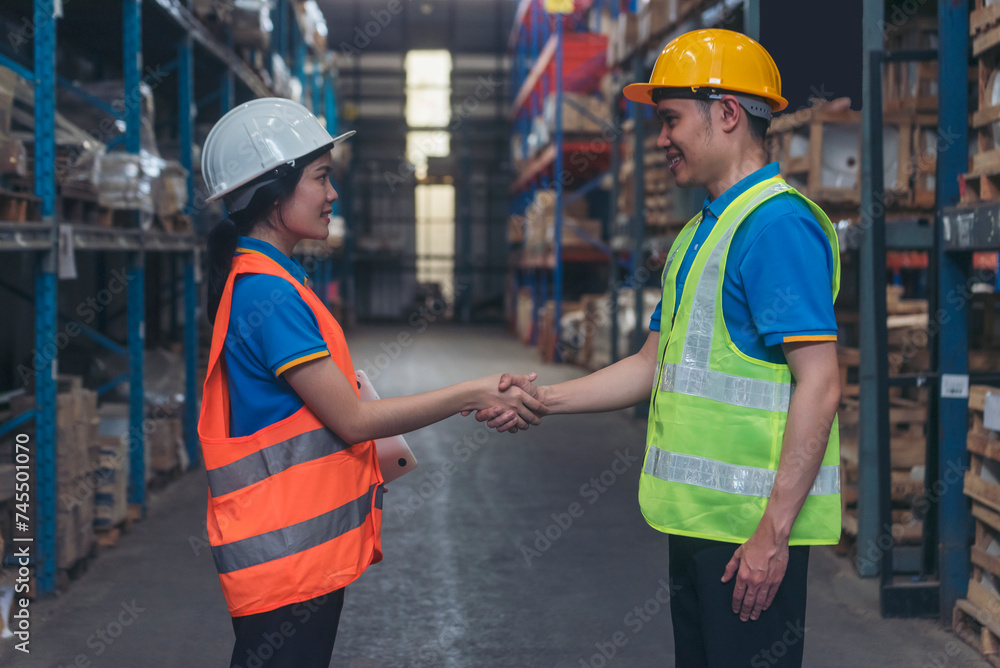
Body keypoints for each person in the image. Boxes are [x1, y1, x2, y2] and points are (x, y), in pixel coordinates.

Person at [483, 29, 842, 668]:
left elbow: (821, 382)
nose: (661, 139)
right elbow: (652, 365)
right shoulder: (702, 231)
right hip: (700, 526)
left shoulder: (777, 226)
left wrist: (773, 532)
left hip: (750, 532)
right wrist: (541, 400)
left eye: (670, 119)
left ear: (727, 113)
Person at [197, 98, 546, 668]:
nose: (333, 194)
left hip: (289, 551)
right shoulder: (269, 293)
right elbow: (352, 420)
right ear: (272, 193)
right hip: (286, 559)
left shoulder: (271, 279)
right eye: (321, 178)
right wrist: (472, 392)